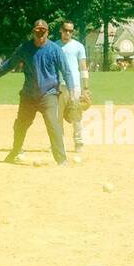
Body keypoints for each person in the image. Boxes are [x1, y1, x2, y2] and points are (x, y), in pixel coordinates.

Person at [0, 19, 69, 166]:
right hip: (28, 95)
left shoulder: (55, 50)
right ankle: (15, 151)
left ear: (47, 32)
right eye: (37, 30)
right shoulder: (25, 48)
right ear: (33, 32)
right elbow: (10, 63)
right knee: (21, 125)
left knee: (53, 123)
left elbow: (66, 71)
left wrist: (73, 91)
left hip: (49, 94)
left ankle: (61, 159)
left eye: (43, 31)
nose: (40, 33)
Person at [58, 20, 90, 163]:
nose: (68, 33)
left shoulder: (78, 46)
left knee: (76, 115)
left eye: (71, 31)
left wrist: (86, 88)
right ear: (61, 30)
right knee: (57, 117)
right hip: (58, 86)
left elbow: (83, 67)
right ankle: (59, 143)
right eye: (66, 30)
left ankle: (78, 142)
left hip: (75, 86)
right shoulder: (54, 46)